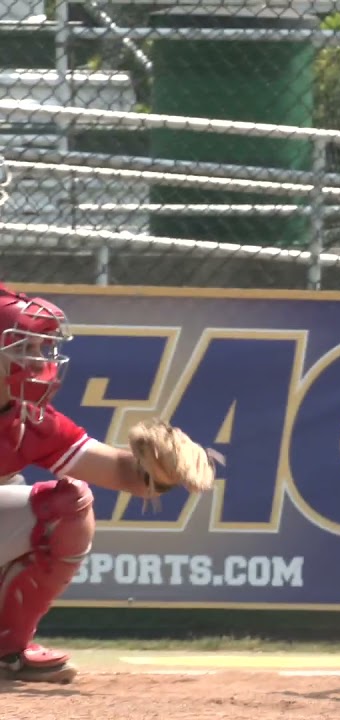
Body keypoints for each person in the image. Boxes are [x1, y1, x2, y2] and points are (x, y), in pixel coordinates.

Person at [0, 173, 184, 683]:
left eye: (39, 348)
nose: (38, 360)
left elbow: (124, 475)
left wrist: (163, 469)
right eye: (23, 347)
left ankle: (6, 652)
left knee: (67, 503)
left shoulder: (27, 422)